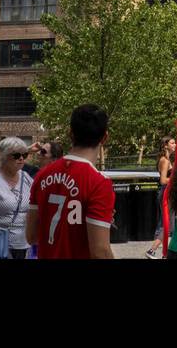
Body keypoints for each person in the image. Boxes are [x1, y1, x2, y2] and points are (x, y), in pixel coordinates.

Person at [26, 104, 115, 258]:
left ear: (70, 134)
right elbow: (100, 251)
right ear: (105, 137)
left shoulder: (41, 176)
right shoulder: (99, 183)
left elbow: (31, 236)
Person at [145, 136, 176, 258]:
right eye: (172, 143)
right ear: (165, 146)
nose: (175, 145)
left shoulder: (167, 159)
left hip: (168, 193)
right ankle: (152, 250)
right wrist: (176, 179)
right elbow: (163, 180)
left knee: (169, 224)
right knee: (168, 225)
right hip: (166, 193)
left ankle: (165, 253)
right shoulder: (165, 161)